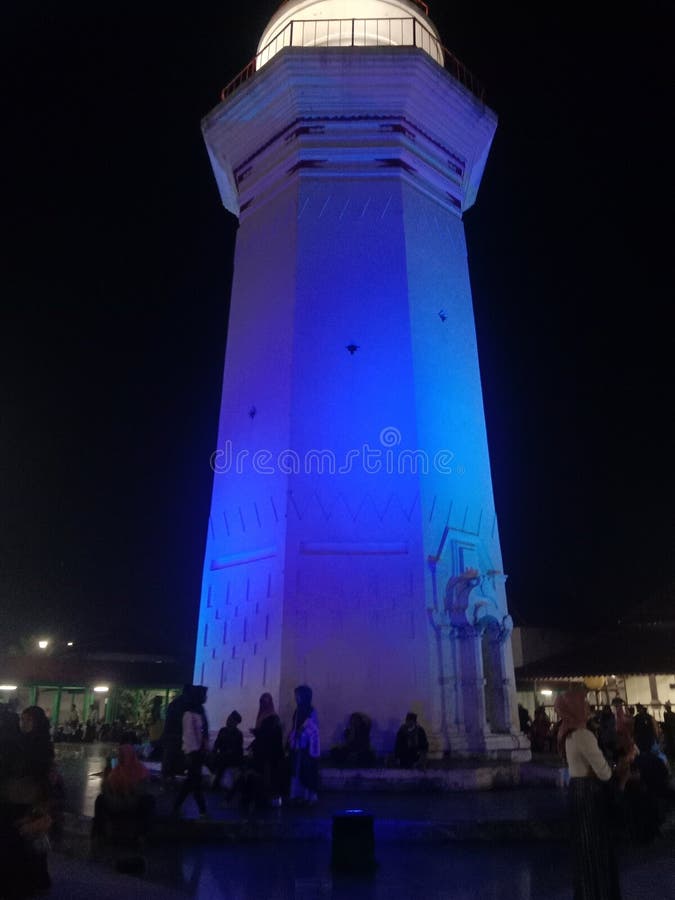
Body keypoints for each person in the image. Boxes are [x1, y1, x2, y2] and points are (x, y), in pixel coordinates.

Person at [554, 687, 630, 900]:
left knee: (584, 850)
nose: (587, 706)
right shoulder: (583, 735)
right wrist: (619, 767)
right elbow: (604, 773)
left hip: (576, 792)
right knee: (596, 848)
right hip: (589, 794)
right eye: (583, 703)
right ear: (575, 708)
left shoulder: (567, 734)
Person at [92, 743, 155, 842]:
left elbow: (140, 792)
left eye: (121, 755)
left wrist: (126, 797)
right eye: (119, 755)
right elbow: (107, 789)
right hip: (118, 803)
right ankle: (99, 832)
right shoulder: (116, 772)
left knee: (148, 801)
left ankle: (143, 834)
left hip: (132, 804)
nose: (119, 758)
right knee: (100, 799)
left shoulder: (139, 771)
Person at [242, 693, 286, 809]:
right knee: (260, 775)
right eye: (262, 702)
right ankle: (260, 798)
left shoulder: (273, 717)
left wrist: (257, 732)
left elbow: (270, 735)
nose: (263, 705)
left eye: (265, 702)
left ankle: (267, 799)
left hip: (270, 753)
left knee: (268, 776)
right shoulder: (263, 715)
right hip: (261, 751)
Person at [173, 686, 209, 819]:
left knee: (191, 782)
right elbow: (189, 736)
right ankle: (202, 810)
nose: (205, 697)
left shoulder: (200, 711)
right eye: (203, 695)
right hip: (194, 753)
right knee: (195, 781)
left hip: (198, 752)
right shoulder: (189, 714)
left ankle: (177, 806)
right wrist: (193, 752)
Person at [287, 685, 320, 806]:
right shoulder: (298, 710)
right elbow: (295, 725)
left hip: (307, 746)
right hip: (297, 744)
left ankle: (309, 796)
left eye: (298, 695)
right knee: (297, 770)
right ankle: (298, 794)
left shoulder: (311, 711)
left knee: (307, 770)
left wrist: (303, 732)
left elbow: (313, 727)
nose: (296, 698)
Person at [162, 684, 190, 784]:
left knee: (170, 758)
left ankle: (168, 778)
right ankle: (169, 778)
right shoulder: (183, 704)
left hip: (172, 735)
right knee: (173, 758)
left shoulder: (176, 704)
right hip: (176, 736)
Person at [210, 710, 244, 794]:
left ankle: (216, 785)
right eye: (228, 718)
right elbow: (217, 744)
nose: (228, 720)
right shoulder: (223, 731)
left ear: (235, 722)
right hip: (223, 757)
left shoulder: (238, 734)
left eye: (230, 719)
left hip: (231, 759)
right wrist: (214, 752)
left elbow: (238, 750)